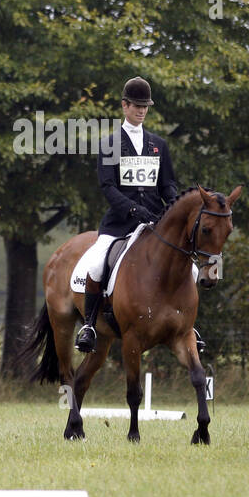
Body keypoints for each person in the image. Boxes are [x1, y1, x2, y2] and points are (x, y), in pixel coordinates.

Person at [74, 76, 205, 354]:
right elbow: (108, 187)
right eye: (136, 106)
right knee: (96, 265)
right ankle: (89, 326)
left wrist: (172, 205)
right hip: (119, 224)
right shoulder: (110, 144)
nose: (141, 111)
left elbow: (167, 183)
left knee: (191, 269)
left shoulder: (158, 145)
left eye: (145, 106)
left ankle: (187, 326)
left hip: (155, 224)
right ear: (124, 106)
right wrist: (133, 209)